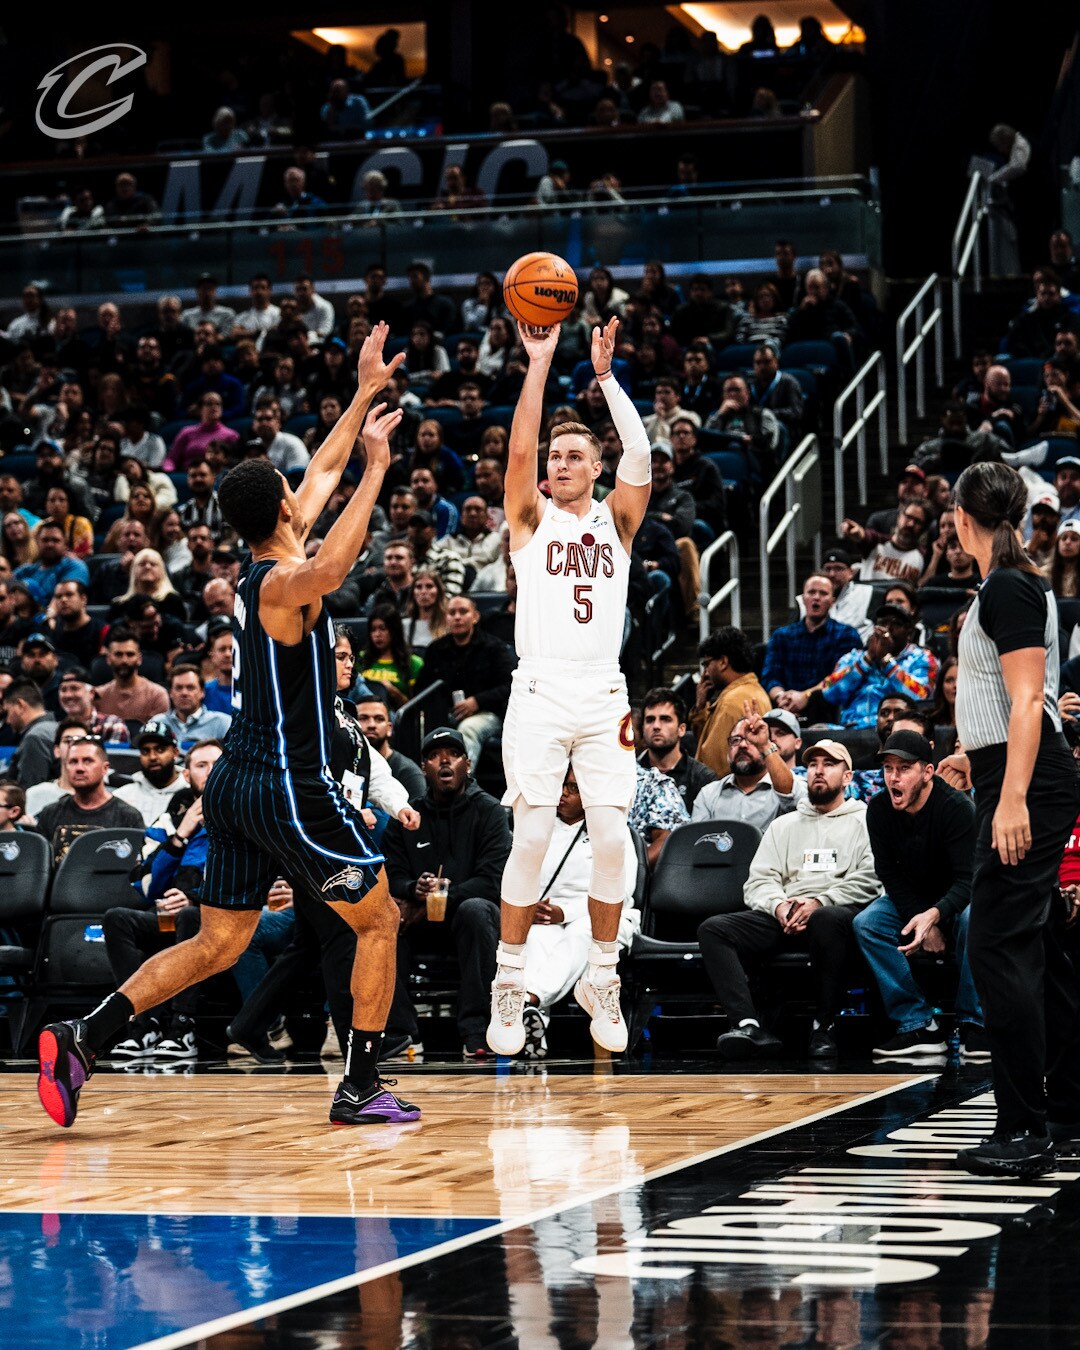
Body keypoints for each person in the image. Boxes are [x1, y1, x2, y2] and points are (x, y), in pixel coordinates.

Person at [34, 323, 424, 1131]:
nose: (302, 490)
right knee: (380, 917)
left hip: (236, 779)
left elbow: (318, 474)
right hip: (287, 780)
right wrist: (378, 469)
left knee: (221, 941)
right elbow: (333, 567)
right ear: (282, 508)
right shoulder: (286, 580)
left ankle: (83, 1037)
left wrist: (361, 395)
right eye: (293, 491)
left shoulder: (258, 566)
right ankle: (359, 1084)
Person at [486, 316, 652, 1058]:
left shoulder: (618, 521)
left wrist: (608, 380)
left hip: (602, 691)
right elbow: (519, 448)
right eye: (555, 455)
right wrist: (540, 362)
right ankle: (509, 978)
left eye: (573, 454)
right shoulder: (530, 521)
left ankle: (602, 976)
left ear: (595, 467)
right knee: (529, 834)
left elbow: (642, 455)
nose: (557, 462)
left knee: (613, 837)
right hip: (542, 690)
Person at [939, 461, 1080, 1178]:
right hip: (1010, 767)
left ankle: (1024, 1128)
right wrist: (974, 754)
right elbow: (1013, 698)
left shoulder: (1009, 587)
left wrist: (1012, 796)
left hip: (1027, 777)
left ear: (965, 516)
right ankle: (1068, 1103)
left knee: (996, 946)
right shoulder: (1015, 584)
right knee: (1041, 944)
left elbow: (1031, 703)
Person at [700, 740, 879, 1061]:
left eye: (829, 764)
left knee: (828, 919)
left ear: (848, 776)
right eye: (812, 765)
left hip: (834, 915)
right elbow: (758, 881)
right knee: (714, 929)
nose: (819, 771)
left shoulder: (866, 822)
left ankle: (825, 1025)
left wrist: (819, 901)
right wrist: (779, 905)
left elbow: (870, 879)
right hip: (785, 914)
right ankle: (748, 1024)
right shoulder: (784, 825)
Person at [382, 725, 513, 1058]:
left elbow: (492, 880)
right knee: (383, 920)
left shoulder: (490, 811)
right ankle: (401, 1033)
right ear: (423, 766)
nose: (444, 762)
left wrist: (435, 898)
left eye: (453, 755)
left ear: (467, 765)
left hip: (467, 920)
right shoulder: (409, 814)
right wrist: (413, 888)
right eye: (434, 756)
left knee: (477, 910)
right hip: (417, 919)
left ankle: (476, 1031)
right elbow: (391, 873)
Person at [858, 729, 986, 1061]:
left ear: (927, 772)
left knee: (978, 916)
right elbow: (889, 874)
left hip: (959, 899)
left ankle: (975, 1025)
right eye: (888, 768)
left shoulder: (957, 808)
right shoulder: (879, 809)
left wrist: (936, 915)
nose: (893, 778)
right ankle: (918, 1025)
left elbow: (968, 879)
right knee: (867, 923)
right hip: (914, 900)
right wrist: (924, 921)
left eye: (903, 768)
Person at [105, 739, 224, 1061]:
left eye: (217, 764)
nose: (210, 772)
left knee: (189, 916)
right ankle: (144, 1026)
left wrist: (194, 897)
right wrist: (181, 835)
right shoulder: (172, 818)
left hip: (217, 920)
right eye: (201, 765)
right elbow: (145, 882)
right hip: (168, 912)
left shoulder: (244, 817)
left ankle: (182, 1029)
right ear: (187, 774)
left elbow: (254, 877)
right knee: (118, 918)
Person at [518, 766, 639, 1058]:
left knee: (584, 933)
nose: (563, 795)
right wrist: (535, 906)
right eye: (560, 786)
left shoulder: (613, 828)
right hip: (549, 916)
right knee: (534, 938)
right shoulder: (540, 827)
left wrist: (566, 912)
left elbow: (621, 892)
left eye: (572, 788)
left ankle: (530, 999)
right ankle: (534, 1028)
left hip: (607, 917)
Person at [412, 595, 516, 767]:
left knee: (467, 729)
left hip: (487, 713)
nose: (457, 617)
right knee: (417, 725)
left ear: (475, 617)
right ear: (446, 618)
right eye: (452, 613)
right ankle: (422, 782)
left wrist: (477, 701)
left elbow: (508, 686)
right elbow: (422, 688)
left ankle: (462, 784)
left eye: (463, 611)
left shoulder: (494, 648)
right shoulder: (436, 649)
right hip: (446, 712)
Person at [818, 604, 938, 729]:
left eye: (896, 624)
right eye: (882, 623)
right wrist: (867, 659)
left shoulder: (923, 658)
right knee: (818, 730)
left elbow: (921, 697)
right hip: (852, 729)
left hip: (897, 730)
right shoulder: (853, 657)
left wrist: (886, 661)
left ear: (909, 632)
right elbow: (829, 692)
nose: (887, 629)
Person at [31, 735, 144, 862]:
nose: (79, 768)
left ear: (105, 768)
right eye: (73, 762)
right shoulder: (50, 813)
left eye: (88, 761)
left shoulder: (128, 816)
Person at [764, 575, 863, 717]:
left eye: (823, 593)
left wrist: (805, 696)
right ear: (803, 598)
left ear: (832, 601)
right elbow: (770, 676)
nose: (816, 597)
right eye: (811, 592)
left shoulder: (847, 635)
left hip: (828, 711)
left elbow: (841, 678)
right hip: (784, 711)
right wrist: (782, 698)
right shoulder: (781, 636)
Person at [691, 708, 800, 830]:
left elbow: (791, 798)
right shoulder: (708, 794)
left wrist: (765, 745)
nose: (742, 745)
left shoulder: (790, 785)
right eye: (736, 740)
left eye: (751, 740)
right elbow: (698, 843)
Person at [690, 626, 771, 778]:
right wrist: (701, 707)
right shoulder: (753, 690)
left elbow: (714, 763)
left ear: (723, 662)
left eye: (707, 664)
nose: (705, 673)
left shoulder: (732, 701)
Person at [638, 686, 717, 814]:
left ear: (681, 729)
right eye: (650, 720)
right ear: (643, 728)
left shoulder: (703, 779)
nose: (656, 726)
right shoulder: (629, 775)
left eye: (665, 719)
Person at [355, 694, 426, 800]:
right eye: (363, 718)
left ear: (389, 729)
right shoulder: (346, 761)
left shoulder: (408, 772)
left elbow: (416, 814)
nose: (371, 725)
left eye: (379, 719)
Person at [93, 627, 169, 723]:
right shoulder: (98, 696)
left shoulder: (157, 695)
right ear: (108, 659)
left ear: (139, 659)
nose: (124, 660)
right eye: (118, 654)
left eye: (130, 654)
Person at [161, 664, 232, 747]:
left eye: (190, 687)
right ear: (170, 693)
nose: (184, 693)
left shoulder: (222, 724)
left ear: (202, 692)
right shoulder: (158, 723)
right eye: (179, 688)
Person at [4, 678, 57, 787]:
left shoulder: (35, 737)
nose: (7, 721)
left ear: (19, 705)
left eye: (7, 712)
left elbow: (30, 789)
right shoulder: (57, 728)